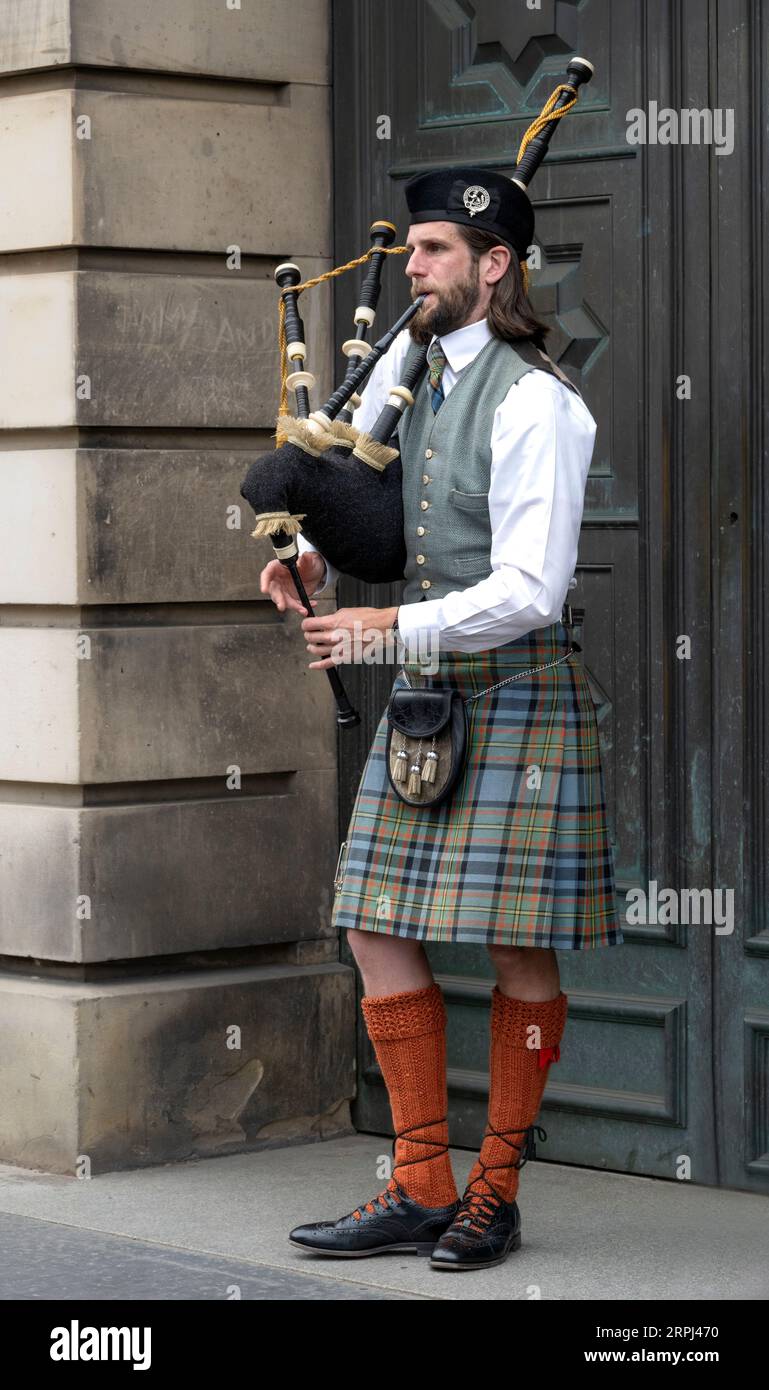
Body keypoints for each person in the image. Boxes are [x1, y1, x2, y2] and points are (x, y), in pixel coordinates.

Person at [259, 166, 623, 1272]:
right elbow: (366, 505)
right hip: (432, 701)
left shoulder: (537, 402)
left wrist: (383, 632)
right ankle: (420, 1181)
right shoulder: (407, 373)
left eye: (431, 252)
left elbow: (528, 586)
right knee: (372, 918)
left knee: (518, 942)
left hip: (516, 694)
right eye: (410, 249)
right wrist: (308, 557)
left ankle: (494, 1191)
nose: (407, 269)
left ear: (493, 265)